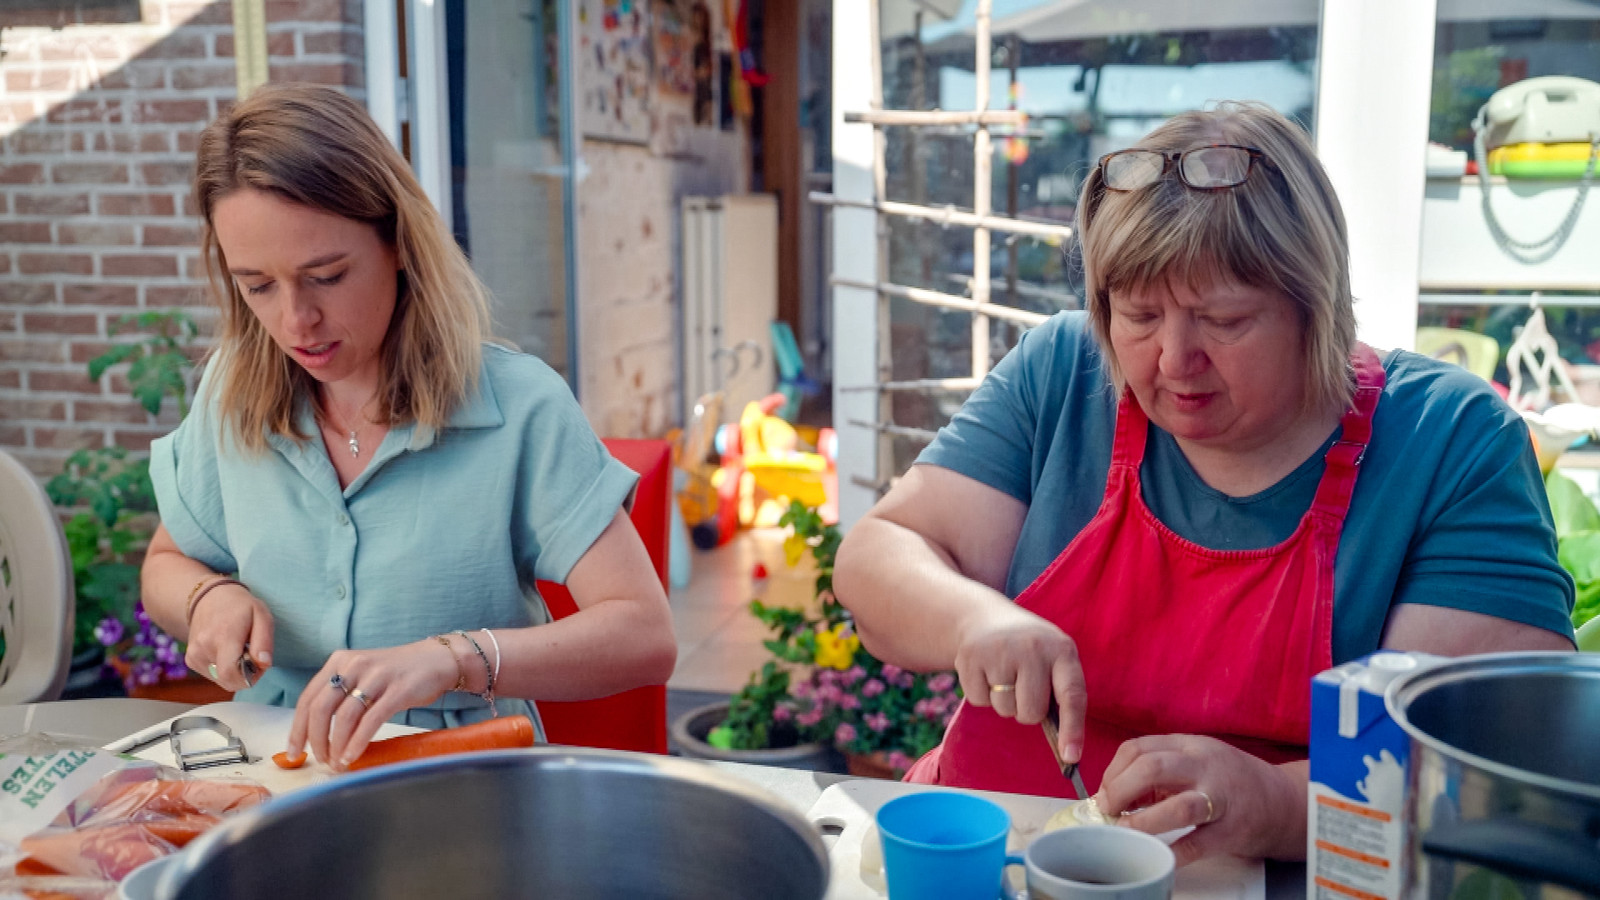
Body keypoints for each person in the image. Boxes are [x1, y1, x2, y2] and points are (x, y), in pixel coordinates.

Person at [832, 102, 1575, 866]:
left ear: (1316, 309)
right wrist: (972, 622)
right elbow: (877, 558)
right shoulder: (1065, 373)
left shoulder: (1446, 440)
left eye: (1222, 319)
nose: (1172, 357)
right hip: (994, 853)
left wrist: (1280, 805)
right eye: (1139, 314)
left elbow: (1488, 760)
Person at [141, 83, 676, 770]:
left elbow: (645, 635)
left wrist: (456, 658)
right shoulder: (229, 390)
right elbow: (166, 563)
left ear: (397, 241)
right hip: (275, 767)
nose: (294, 321)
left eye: (327, 276)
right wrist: (209, 597)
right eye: (258, 286)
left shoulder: (520, 407)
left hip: (466, 772)